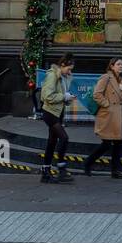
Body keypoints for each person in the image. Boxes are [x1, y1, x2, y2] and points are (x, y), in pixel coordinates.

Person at [83, 59, 122, 178]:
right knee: (106, 143)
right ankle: (88, 163)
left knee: (118, 143)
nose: (121, 66)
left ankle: (115, 171)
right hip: (108, 116)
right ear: (112, 66)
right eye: (118, 64)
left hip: (118, 117)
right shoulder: (106, 78)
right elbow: (96, 94)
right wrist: (107, 104)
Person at [39, 54, 75, 183]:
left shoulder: (63, 78)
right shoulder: (52, 75)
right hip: (50, 113)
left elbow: (61, 96)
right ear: (62, 65)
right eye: (69, 69)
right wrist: (64, 97)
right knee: (64, 138)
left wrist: (68, 98)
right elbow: (47, 96)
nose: (70, 72)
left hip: (57, 113)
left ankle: (46, 171)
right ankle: (61, 168)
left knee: (52, 142)